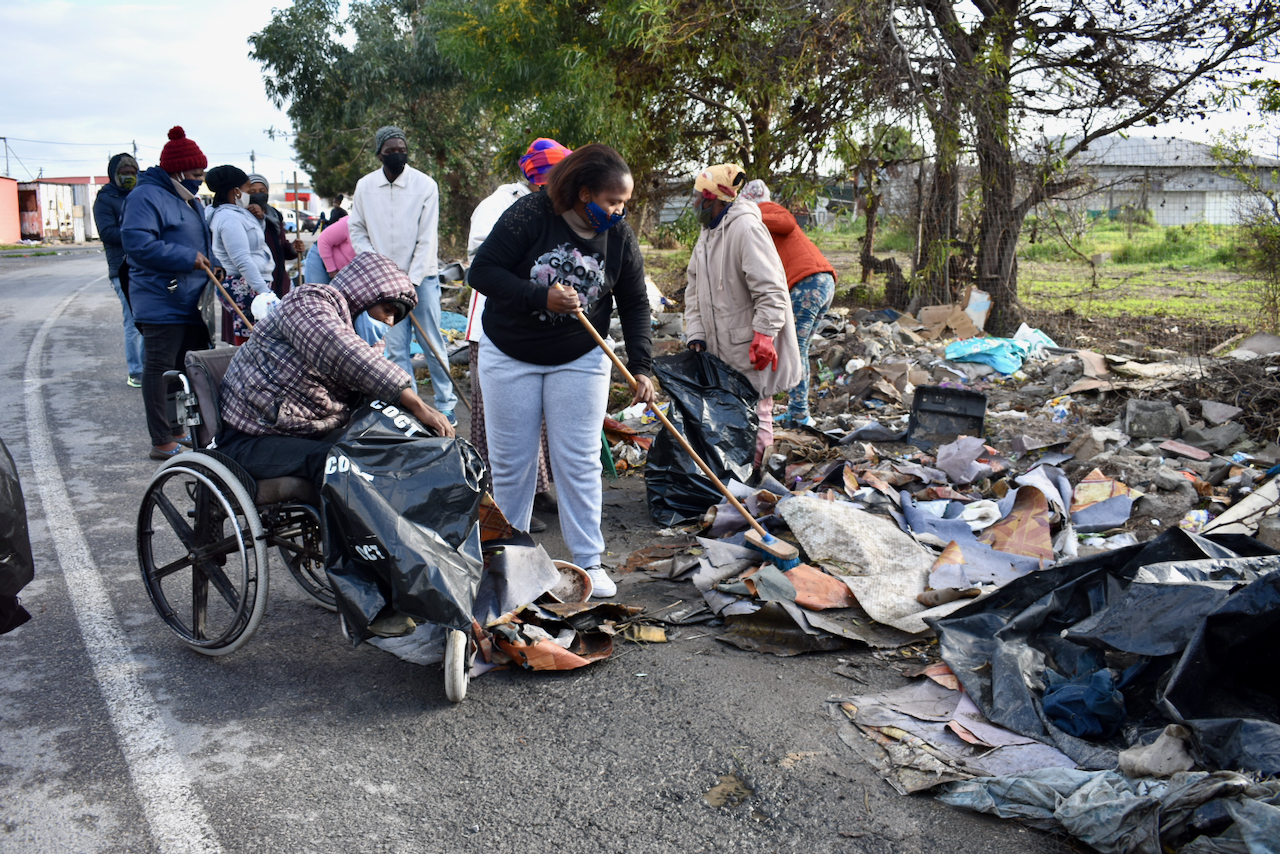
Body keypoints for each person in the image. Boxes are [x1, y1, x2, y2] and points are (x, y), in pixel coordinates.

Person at [470, 143, 655, 598]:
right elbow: (483, 272)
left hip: (581, 355)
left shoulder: (620, 236)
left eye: (624, 203)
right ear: (582, 191)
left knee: (579, 462)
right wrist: (540, 296)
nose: (619, 211)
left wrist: (643, 365)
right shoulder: (530, 214)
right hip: (509, 352)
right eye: (612, 202)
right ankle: (508, 563)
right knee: (512, 464)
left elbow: (634, 302)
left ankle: (588, 560)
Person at [216, 252, 454, 488]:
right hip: (254, 435)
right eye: (387, 310)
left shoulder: (367, 344)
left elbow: (372, 397)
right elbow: (341, 351)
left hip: (305, 433)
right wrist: (417, 405)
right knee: (339, 466)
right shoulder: (306, 302)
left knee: (387, 451)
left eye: (395, 318)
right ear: (363, 297)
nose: (390, 323)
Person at [464, 138, 572, 533]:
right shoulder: (498, 205)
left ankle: (537, 491)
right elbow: (485, 262)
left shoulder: (557, 205)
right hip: (496, 327)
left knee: (540, 418)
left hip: (541, 327)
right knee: (496, 422)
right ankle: (497, 506)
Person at [683, 164, 802, 465]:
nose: (694, 201)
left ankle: (757, 483)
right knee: (729, 417)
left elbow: (771, 288)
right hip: (719, 347)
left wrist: (765, 333)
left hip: (748, 347)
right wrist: (696, 333)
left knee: (757, 413)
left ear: (713, 199)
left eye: (698, 195)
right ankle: (735, 481)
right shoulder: (707, 235)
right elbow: (694, 291)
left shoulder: (746, 228)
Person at [348, 125, 457, 424]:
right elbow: (356, 229)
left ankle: (446, 403)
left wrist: (412, 280)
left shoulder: (424, 185)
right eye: (390, 150)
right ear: (379, 153)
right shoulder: (365, 186)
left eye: (401, 150)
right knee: (395, 348)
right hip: (383, 284)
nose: (397, 155)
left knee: (432, 344)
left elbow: (427, 239)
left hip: (422, 281)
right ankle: (413, 408)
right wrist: (376, 266)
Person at [121, 126, 216, 460]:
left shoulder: (188, 200)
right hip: (160, 299)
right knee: (159, 370)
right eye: (195, 173)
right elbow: (137, 243)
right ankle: (161, 440)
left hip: (189, 302)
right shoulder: (145, 197)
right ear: (176, 171)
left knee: (181, 369)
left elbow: (199, 241)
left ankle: (177, 430)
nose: (199, 180)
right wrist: (186, 258)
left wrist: (211, 262)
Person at [739, 179, 837, 427]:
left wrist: (750, 215)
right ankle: (797, 410)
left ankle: (800, 414)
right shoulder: (762, 218)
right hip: (821, 283)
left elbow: (787, 221)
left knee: (796, 350)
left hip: (807, 284)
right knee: (800, 349)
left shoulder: (767, 211)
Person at [205, 165, 275, 344]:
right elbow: (242, 259)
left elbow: (255, 244)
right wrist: (264, 292)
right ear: (236, 191)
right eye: (248, 189)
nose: (250, 193)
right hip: (245, 284)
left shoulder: (238, 213)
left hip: (252, 282)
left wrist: (259, 220)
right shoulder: (229, 218)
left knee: (259, 337)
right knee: (250, 338)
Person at [93, 152, 144, 387]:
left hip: (146, 265)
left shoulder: (142, 194)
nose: (129, 177)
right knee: (132, 321)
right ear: (114, 175)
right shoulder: (105, 199)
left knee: (148, 319)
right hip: (122, 267)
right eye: (124, 173)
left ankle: (150, 368)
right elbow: (108, 234)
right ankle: (136, 371)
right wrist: (138, 234)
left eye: (133, 173)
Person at [245, 173, 304, 296]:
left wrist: (293, 248)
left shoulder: (275, 215)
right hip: (255, 280)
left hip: (279, 278)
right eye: (252, 191)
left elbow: (281, 247)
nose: (257, 194)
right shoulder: (242, 217)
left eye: (262, 191)